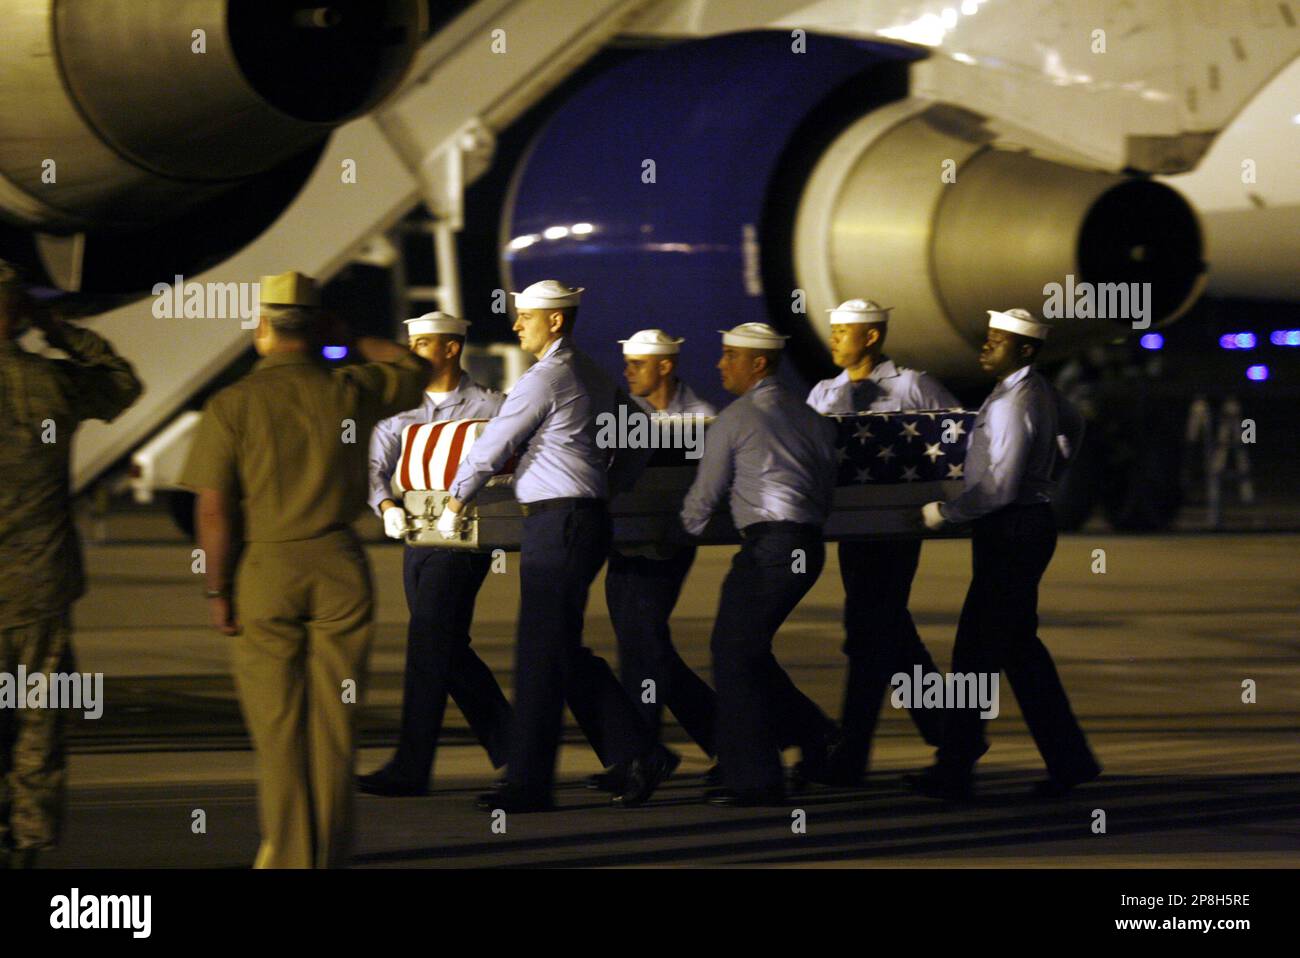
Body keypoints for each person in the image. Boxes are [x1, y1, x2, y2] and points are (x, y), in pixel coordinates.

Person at [180, 271, 429, 867]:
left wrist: (218, 589)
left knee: (278, 729)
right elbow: (414, 365)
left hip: (266, 567)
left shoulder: (232, 403)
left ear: (262, 327)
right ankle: (330, 850)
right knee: (335, 726)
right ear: (318, 326)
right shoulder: (349, 388)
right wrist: (350, 338)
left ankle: (289, 854)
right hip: (339, 564)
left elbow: (213, 508)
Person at [438, 281, 675, 812]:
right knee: (558, 651)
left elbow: (492, 445)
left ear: (556, 322)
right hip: (579, 519)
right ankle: (636, 754)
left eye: (526, 317)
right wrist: (613, 483)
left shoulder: (545, 377)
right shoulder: (590, 371)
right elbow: (638, 427)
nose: (516, 324)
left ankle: (529, 783)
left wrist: (455, 504)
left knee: (540, 656)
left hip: (559, 524)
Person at [912, 307, 1101, 800]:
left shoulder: (1015, 403)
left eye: (998, 341)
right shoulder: (1030, 390)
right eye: (989, 337)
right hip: (1023, 526)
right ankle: (1070, 761)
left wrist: (945, 514)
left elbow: (999, 488)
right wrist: (1055, 470)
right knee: (1019, 652)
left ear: (1025, 350)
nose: (986, 345)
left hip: (1011, 529)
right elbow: (1074, 423)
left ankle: (954, 768)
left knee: (974, 653)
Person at [0, 262, 143, 869]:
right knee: (38, 731)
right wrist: (56, 328)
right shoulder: (53, 383)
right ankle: (27, 848)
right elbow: (120, 382)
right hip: (39, 589)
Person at [678, 322, 840, 807]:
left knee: (732, 654)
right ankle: (814, 734)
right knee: (748, 651)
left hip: (768, 548)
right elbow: (827, 488)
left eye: (730, 356)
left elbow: (703, 499)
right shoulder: (813, 418)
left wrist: (679, 534)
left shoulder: (736, 417)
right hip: (807, 547)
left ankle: (755, 778)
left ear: (759, 364)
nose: (720, 364)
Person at [803, 299, 957, 787]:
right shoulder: (824, 393)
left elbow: (956, 437)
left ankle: (853, 756)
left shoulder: (913, 385)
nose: (833, 341)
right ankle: (953, 734)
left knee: (870, 631)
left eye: (843, 332)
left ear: (870, 337)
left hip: (896, 530)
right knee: (885, 634)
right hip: (850, 531)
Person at [358, 312, 511, 796]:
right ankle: (514, 744)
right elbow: (374, 465)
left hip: (464, 538)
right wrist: (384, 505)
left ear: (450, 348)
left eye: (423, 343)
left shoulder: (492, 405)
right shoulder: (396, 409)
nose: (413, 352)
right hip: (415, 538)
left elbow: (509, 463)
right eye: (411, 343)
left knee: (427, 643)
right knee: (445, 646)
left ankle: (411, 766)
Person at [592, 330, 718, 793]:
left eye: (638, 365)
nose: (628, 373)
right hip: (623, 543)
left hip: (666, 544)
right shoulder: (624, 418)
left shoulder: (701, 418)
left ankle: (643, 757)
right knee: (642, 647)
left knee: (643, 642)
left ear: (665, 366)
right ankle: (721, 739)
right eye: (626, 364)